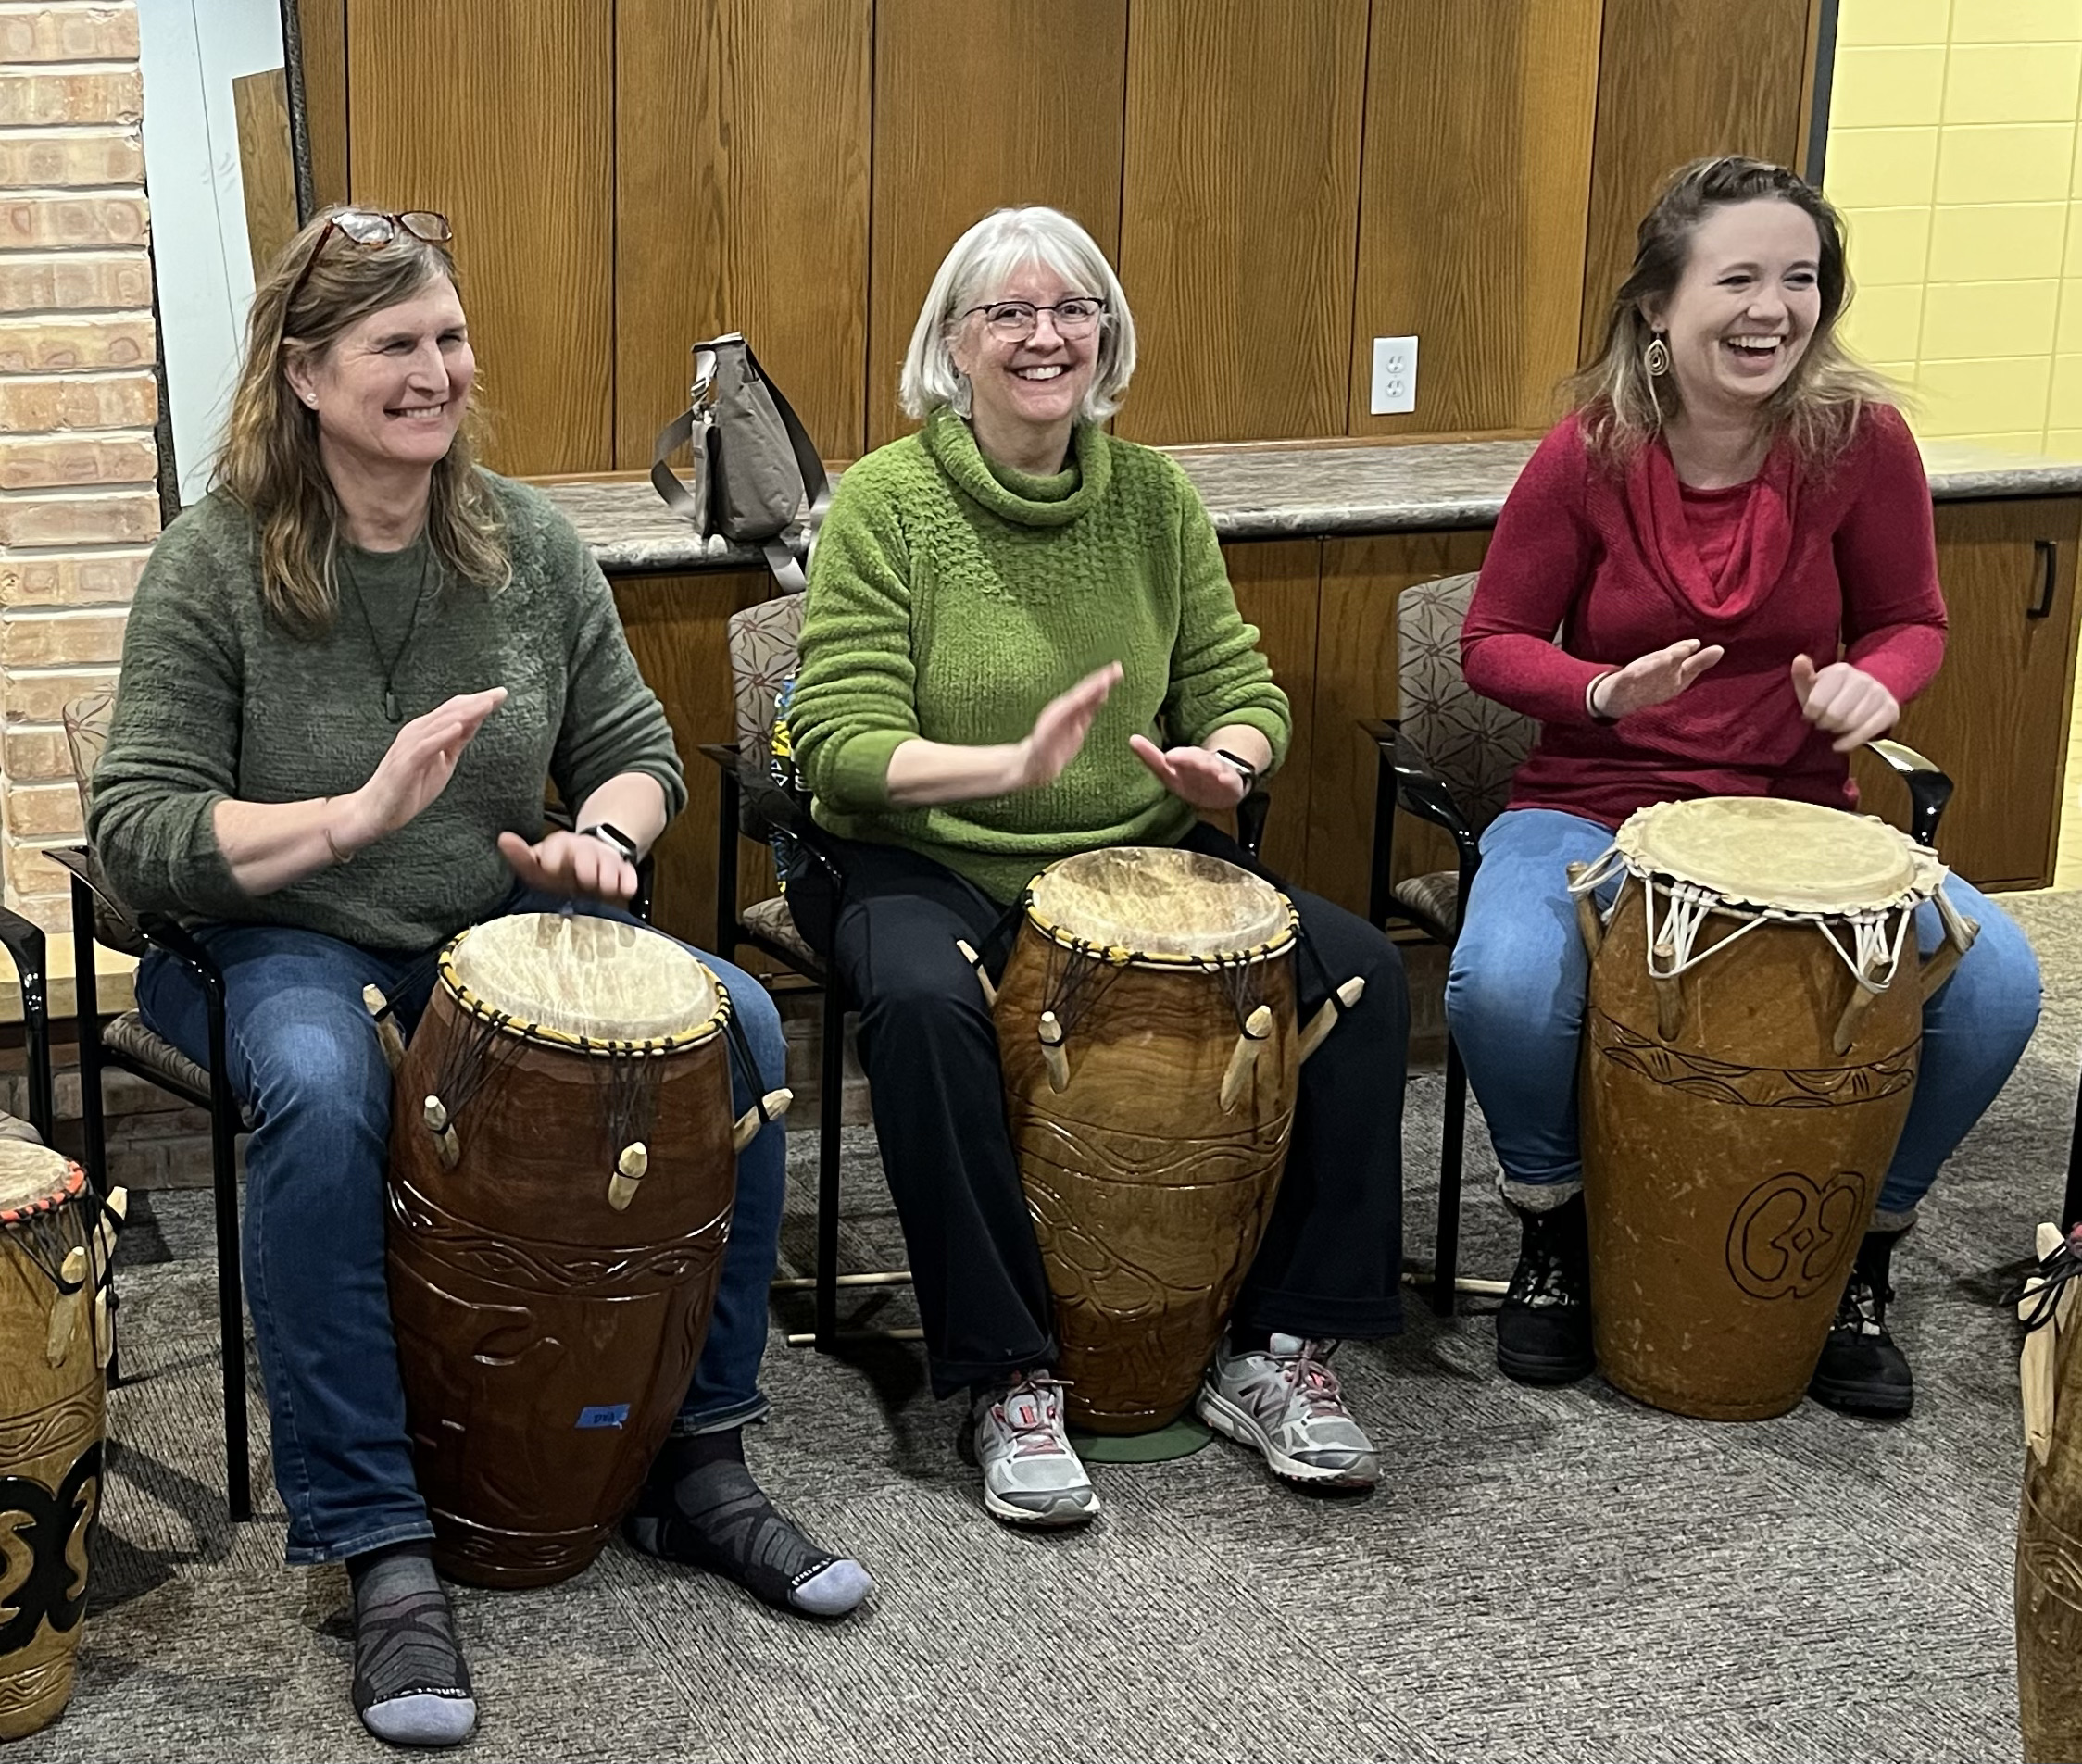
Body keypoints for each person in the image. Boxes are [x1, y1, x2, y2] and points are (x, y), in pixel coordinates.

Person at [88, 207, 870, 1750]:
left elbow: (640, 754)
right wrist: (350, 817)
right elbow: (138, 829)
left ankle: (696, 1460)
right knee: (318, 1088)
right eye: (399, 344)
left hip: (481, 930)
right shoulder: (216, 559)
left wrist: (601, 836)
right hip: (267, 940)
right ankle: (379, 1537)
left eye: (450, 338)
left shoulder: (525, 544)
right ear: (305, 372)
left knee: (744, 1021)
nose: (440, 371)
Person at [784, 206, 1408, 1530]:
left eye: (1072, 309)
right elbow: (838, 745)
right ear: (951, 345)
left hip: (1135, 849)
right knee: (925, 1006)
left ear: (1106, 337)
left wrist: (1225, 765)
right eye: (1007, 312)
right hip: (921, 854)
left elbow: (1241, 683)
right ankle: (1009, 1371)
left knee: (1357, 980)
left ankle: (1279, 1344)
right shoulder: (889, 503)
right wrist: (1001, 765)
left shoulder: (1152, 494)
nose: (1044, 334)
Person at [1448, 156, 2042, 1418]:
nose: (1773, 306)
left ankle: (1854, 1249)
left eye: (1802, 278)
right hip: (1596, 798)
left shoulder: (1858, 444)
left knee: (1996, 986)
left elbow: (1910, 620)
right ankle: (1553, 1231)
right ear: (1661, 305)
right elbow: (1492, 638)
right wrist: (1606, 692)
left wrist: (1879, 687)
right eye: (1739, 277)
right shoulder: (1589, 451)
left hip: (1798, 815)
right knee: (1502, 982)